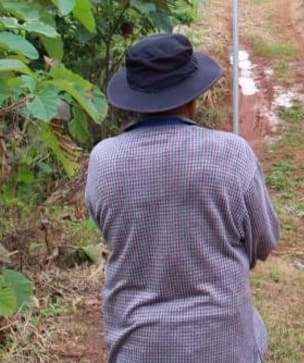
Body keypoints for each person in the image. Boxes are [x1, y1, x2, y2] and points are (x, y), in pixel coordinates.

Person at [86, 33, 280, 363]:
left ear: (133, 100)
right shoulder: (232, 154)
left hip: (138, 348)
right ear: (193, 97)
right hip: (225, 345)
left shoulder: (103, 160)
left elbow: (108, 231)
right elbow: (263, 241)